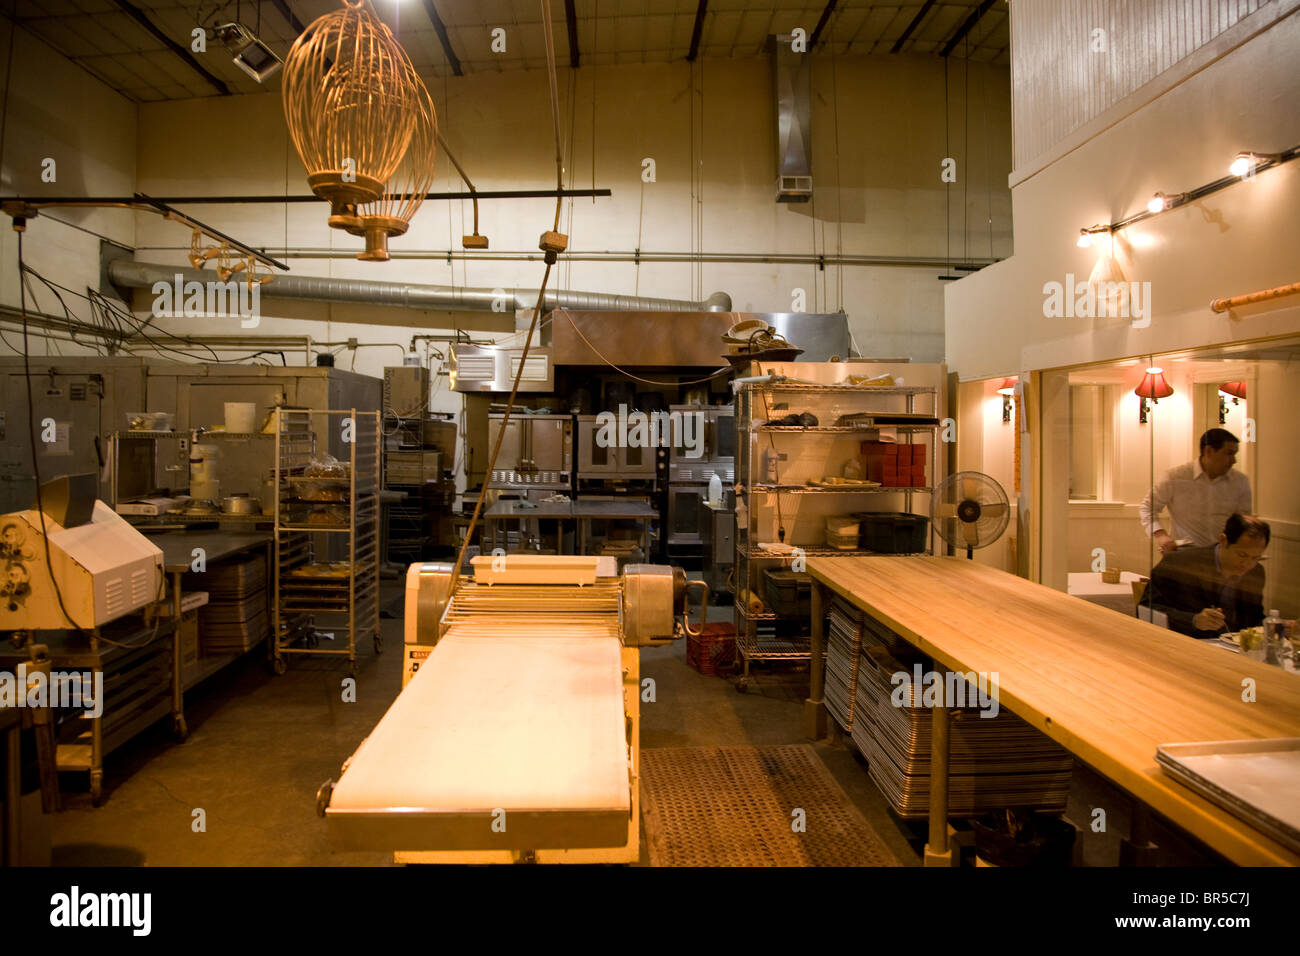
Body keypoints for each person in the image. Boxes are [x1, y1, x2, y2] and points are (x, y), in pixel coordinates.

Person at [1143, 513, 1268, 638]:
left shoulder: (1256, 572)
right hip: (1184, 644)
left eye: (1256, 558)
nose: (1247, 564)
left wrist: (1275, 627)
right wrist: (1194, 620)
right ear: (1223, 540)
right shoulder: (1179, 564)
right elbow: (1145, 610)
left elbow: (1254, 619)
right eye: (1242, 555)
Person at [1139, 428, 1251, 554]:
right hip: (1185, 555)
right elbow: (1147, 507)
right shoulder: (1176, 477)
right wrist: (1161, 535)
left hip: (1224, 555)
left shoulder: (1240, 481)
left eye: (1234, 454)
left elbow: (1244, 519)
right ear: (1208, 451)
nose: (1234, 460)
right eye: (1229, 453)